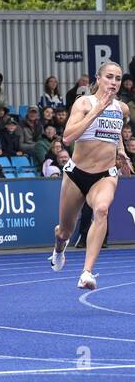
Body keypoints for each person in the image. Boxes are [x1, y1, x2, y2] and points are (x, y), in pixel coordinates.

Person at [50, 61, 130, 289]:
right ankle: (58, 248)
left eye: (118, 78)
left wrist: (121, 151)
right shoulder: (84, 103)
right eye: (109, 77)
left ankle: (86, 272)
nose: (113, 82)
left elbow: (117, 134)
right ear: (98, 78)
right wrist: (96, 111)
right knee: (64, 230)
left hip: (105, 175)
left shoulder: (122, 109)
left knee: (102, 210)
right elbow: (67, 138)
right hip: (76, 174)